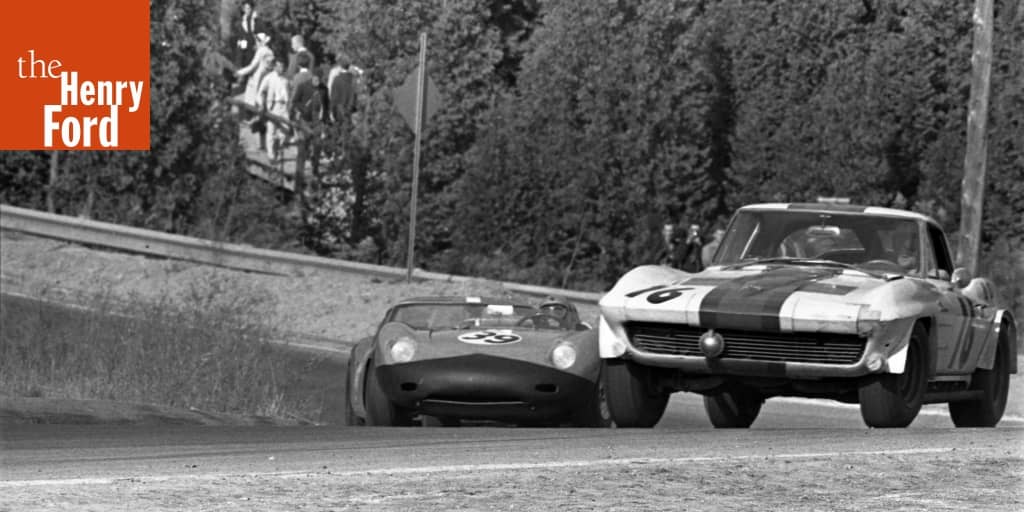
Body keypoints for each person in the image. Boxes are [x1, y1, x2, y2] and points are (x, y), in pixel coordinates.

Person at [257, 57, 289, 160]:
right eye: (279, 66)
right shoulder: (269, 78)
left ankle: (279, 149)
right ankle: (271, 154)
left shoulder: (286, 79)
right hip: (273, 106)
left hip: (284, 107)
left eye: (282, 66)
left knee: (285, 130)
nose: (281, 68)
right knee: (271, 130)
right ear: (275, 67)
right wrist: (261, 104)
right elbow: (261, 92)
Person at [327, 53, 358, 129]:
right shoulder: (355, 75)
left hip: (340, 108)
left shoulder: (335, 75)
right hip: (353, 108)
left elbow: (331, 92)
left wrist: (331, 109)